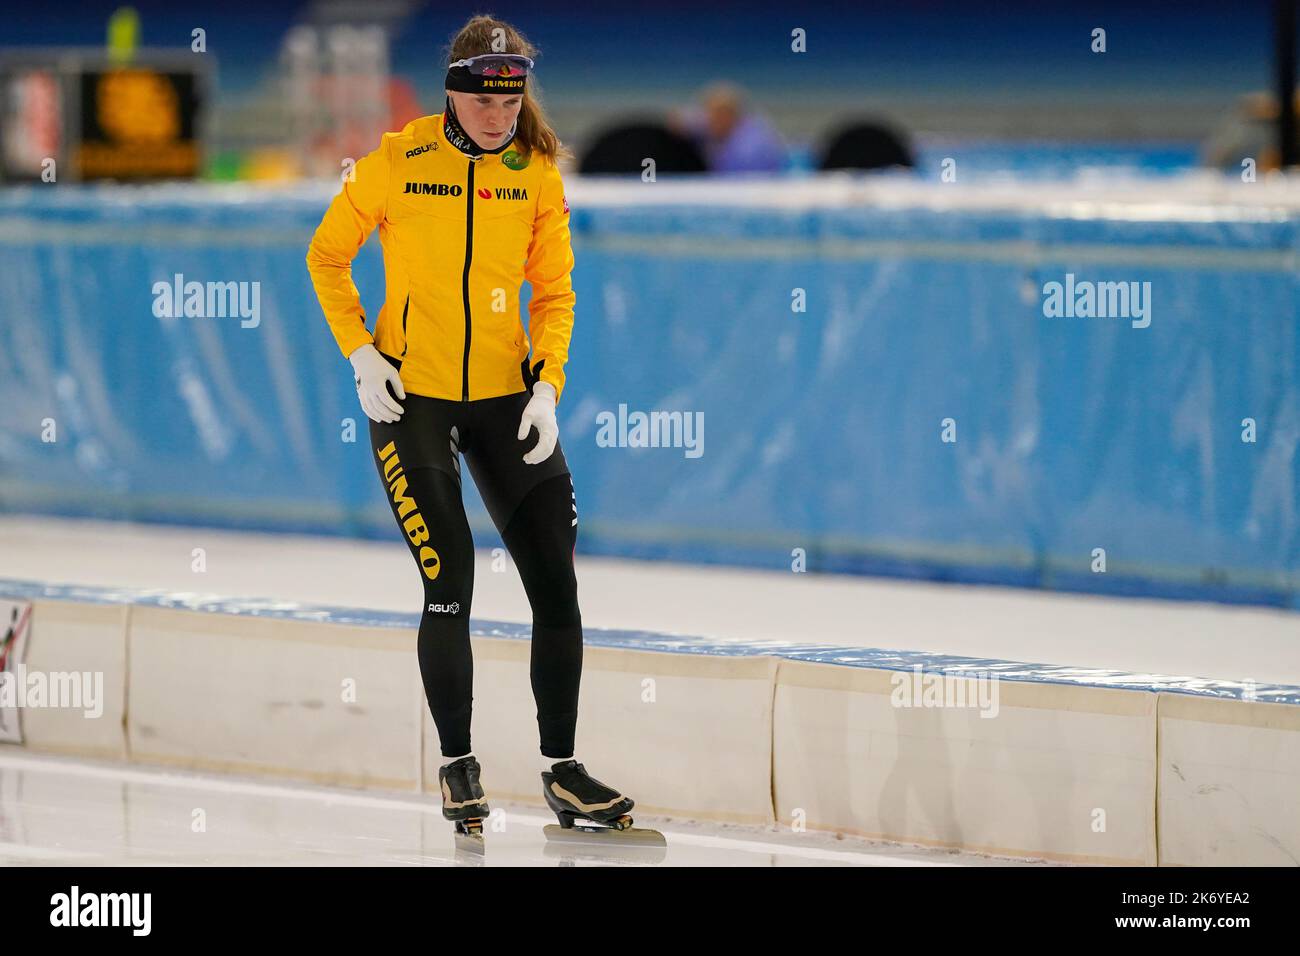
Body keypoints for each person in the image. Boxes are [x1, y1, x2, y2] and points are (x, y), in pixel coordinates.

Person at [306, 14, 635, 837]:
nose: (498, 115)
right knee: (450, 581)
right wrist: (360, 352)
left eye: (511, 99)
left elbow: (554, 293)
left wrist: (547, 387)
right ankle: (458, 764)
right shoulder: (399, 159)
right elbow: (326, 255)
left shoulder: (536, 172)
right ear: (452, 92)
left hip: (504, 399)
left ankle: (563, 771)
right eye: (484, 99)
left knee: (556, 585)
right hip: (410, 397)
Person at [668, 81, 786, 174]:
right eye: (708, 115)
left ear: (730, 114)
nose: (710, 121)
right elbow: (683, 121)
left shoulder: (749, 149)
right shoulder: (709, 123)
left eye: (717, 115)